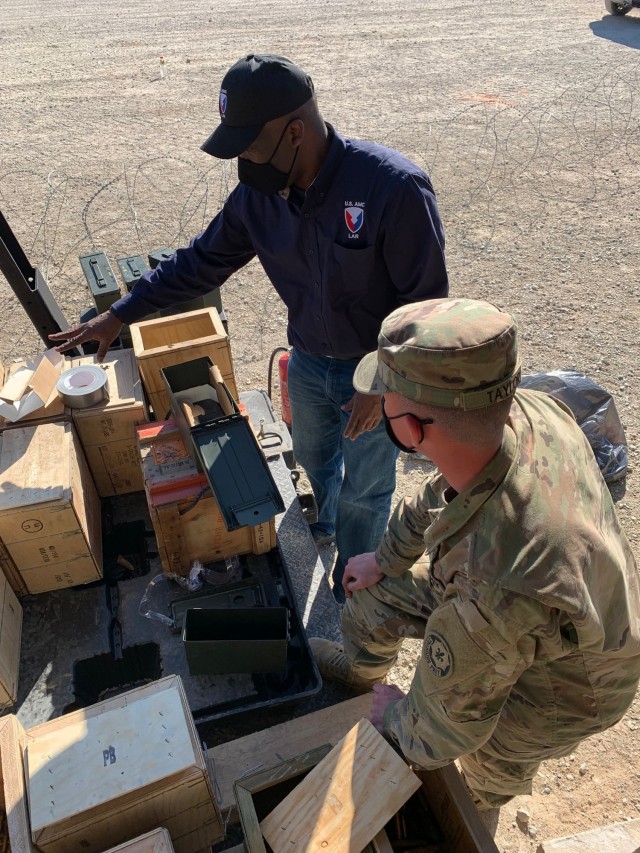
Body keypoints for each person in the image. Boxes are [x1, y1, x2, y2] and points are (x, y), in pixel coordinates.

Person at [50, 53, 448, 602]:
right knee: (313, 456)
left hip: (372, 371)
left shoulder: (392, 189)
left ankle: (355, 588)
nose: (242, 160)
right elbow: (199, 262)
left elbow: (426, 307)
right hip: (308, 360)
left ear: (293, 132)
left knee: (369, 486)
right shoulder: (258, 199)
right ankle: (326, 520)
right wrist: (119, 314)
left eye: (248, 145)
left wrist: (383, 386)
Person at [309, 297, 640, 809]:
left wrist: (397, 719)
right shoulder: (524, 412)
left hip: (574, 682)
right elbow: (435, 494)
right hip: (538, 602)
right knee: (376, 596)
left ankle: (481, 805)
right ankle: (360, 674)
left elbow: (444, 729)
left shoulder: (498, 582)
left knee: (492, 753)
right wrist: (386, 560)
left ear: (411, 429)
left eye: (385, 398)